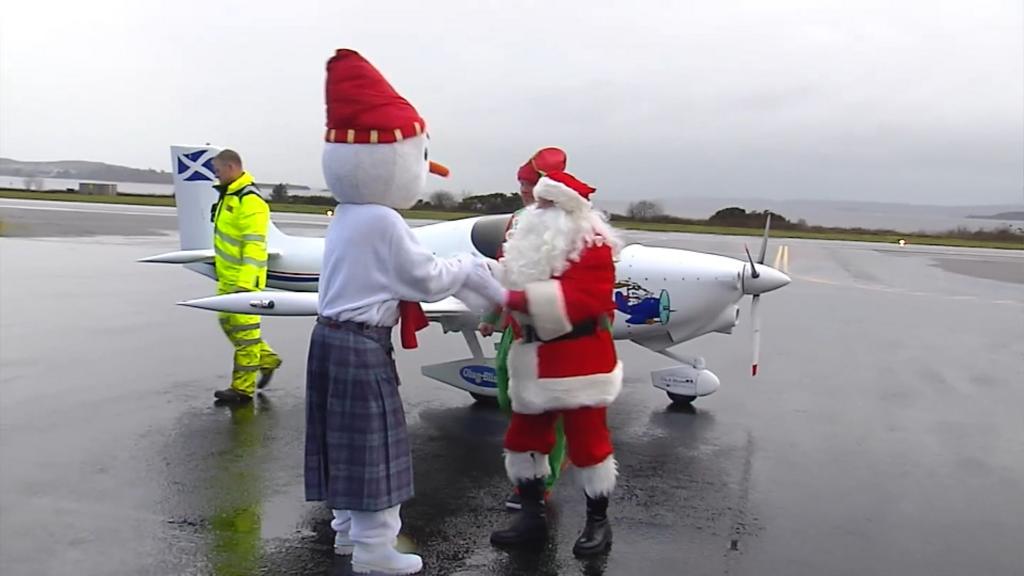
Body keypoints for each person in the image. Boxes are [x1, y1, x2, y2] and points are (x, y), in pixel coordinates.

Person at [306, 49, 504, 575]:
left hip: (330, 339)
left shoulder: (349, 214)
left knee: (343, 443)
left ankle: (348, 533)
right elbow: (425, 279)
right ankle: (374, 552)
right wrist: (467, 268)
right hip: (359, 345)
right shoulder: (383, 221)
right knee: (375, 451)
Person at [487, 171, 623, 557]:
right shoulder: (529, 246)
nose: (537, 209)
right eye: (538, 202)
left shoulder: (591, 244)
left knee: (588, 443)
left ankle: (598, 522)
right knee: (524, 439)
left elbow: (581, 300)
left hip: (580, 358)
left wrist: (513, 298)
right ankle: (531, 516)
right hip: (532, 357)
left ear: (569, 209)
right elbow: (513, 289)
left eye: (547, 203)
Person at [479, 147, 570, 511]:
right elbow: (506, 273)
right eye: (520, 183)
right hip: (515, 327)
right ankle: (529, 468)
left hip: (553, 331)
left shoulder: (571, 222)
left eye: (529, 183)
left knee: (548, 405)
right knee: (509, 395)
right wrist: (490, 315)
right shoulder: (516, 220)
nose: (523, 190)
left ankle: (539, 483)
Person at [210, 149, 281, 404]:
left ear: (230, 167)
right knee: (228, 323)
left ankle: (242, 390)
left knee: (245, 333)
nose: (215, 176)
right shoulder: (229, 195)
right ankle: (266, 359)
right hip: (227, 277)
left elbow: (254, 245)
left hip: (243, 280)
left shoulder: (249, 200)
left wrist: (245, 283)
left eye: (218, 170)